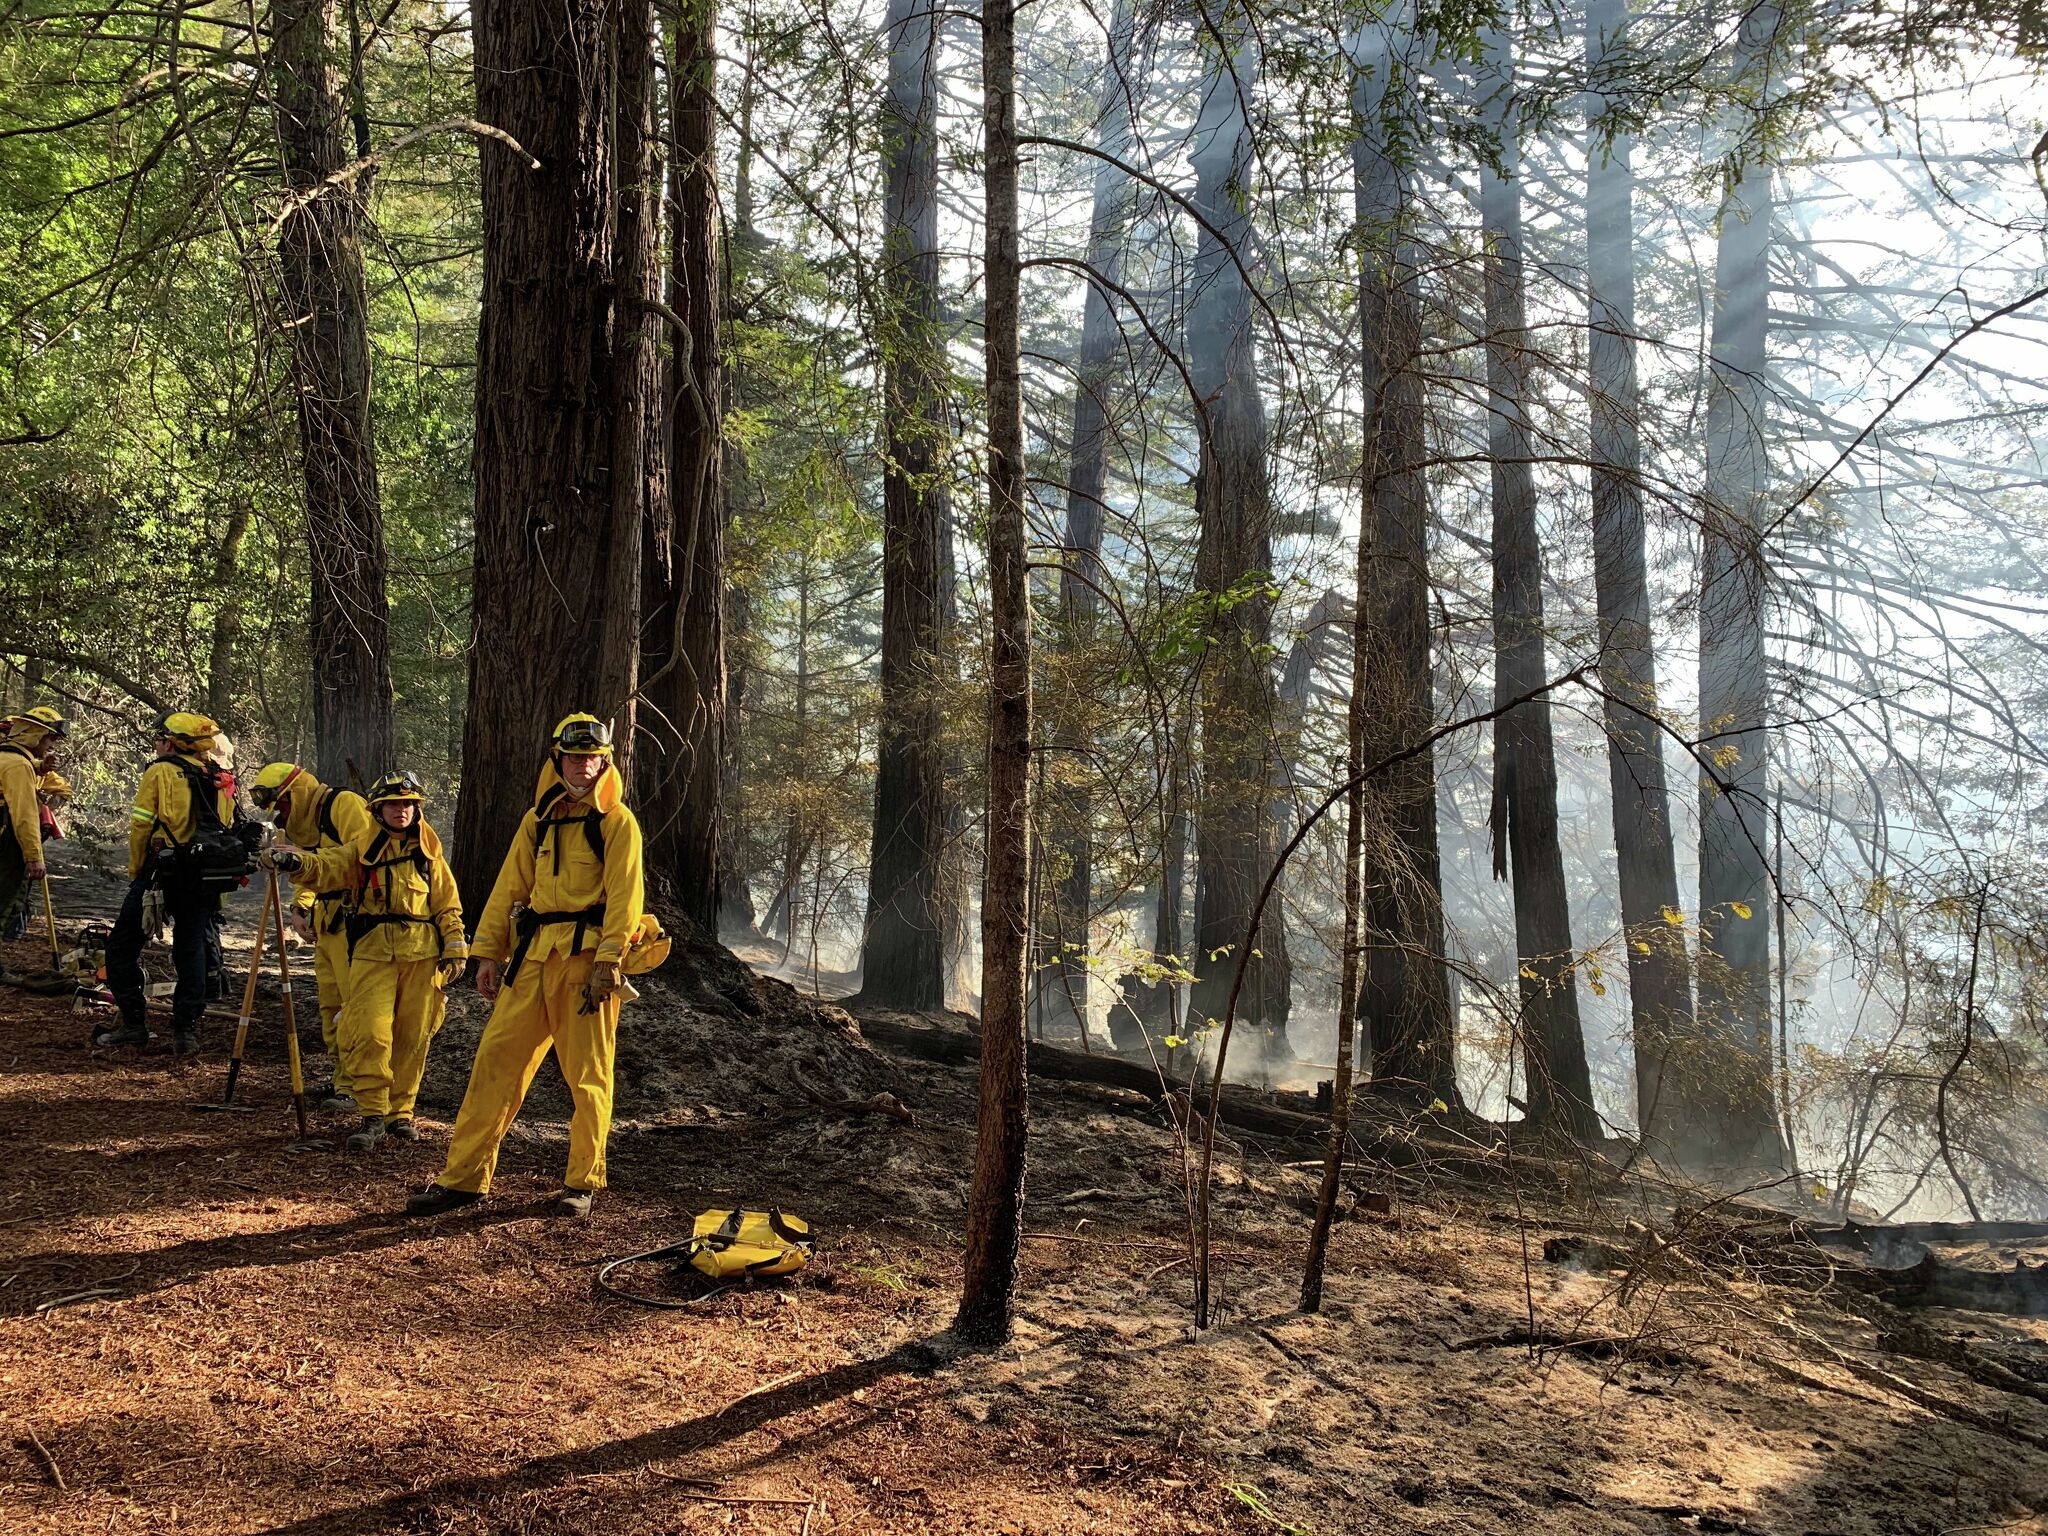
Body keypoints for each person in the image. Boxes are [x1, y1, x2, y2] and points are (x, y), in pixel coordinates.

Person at [406, 714, 643, 1219]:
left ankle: (582, 1181)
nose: (583, 766)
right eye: (575, 757)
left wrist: (610, 961)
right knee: (494, 1063)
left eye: (593, 758)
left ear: (605, 762)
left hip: (585, 964)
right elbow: (509, 888)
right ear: (557, 759)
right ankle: (464, 1180)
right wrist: (488, 953)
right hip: (532, 961)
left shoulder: (618, 822)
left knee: (588, 1076)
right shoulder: (537, 820)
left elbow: (626, 897)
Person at [265, 771, 466, 1152]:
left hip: (423, 956)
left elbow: (447, 904)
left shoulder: (428, 853)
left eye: (408, 804)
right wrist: (295, 864)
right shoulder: (361, 851)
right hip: (372, 954)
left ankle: (400, 1114)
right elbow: (327, 866)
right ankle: (372, 1114)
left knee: (412, 1038)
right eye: (393, 803)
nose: (401, 810)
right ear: (377, 809)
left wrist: (455, 948)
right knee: (370, 1033)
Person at [97, 713, 242, 1054]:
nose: (157, 743)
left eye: (160, 737)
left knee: (122, 946)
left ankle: (133, 1024)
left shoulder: (161, 771)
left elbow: (142, 826)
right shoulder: (219, 776)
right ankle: (185, 1031)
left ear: (170, 742)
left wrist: (136, 870)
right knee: (190, 951)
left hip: (161, 873)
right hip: (202, 878)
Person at [251, 761, 375, 1112]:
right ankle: (342, 1078)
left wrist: (305, 858)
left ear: (296, 793)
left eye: (283, 807)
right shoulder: (301, 825)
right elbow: (311, 870)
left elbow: (362, 860)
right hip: (328, 921)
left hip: (358, 922)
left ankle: (362, 1086)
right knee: (331, 1007)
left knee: (356, 1008)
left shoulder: (344, 805)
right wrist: (300, 907)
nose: (282, 817)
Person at [0, 706, 67, 971]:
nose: (51, 746)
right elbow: (25, 815)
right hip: (6, 842)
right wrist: (34, 857)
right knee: (3, 899)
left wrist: (39, 767)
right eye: (50, 739)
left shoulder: (9, 758)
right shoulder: (18, 765)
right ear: (36, 736)